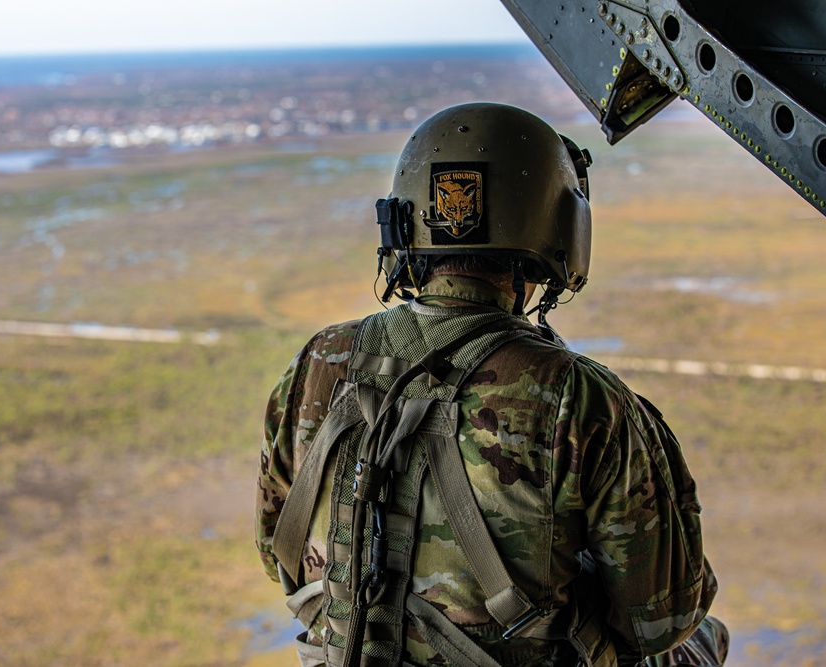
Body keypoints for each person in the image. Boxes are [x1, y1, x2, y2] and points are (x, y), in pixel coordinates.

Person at [255, 103, 728, 667]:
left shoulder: (319, 360)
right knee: (705, 640)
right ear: (560, 230)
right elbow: (661, 620)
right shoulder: (579, 399)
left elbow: (275, 553)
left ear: (402, 225)